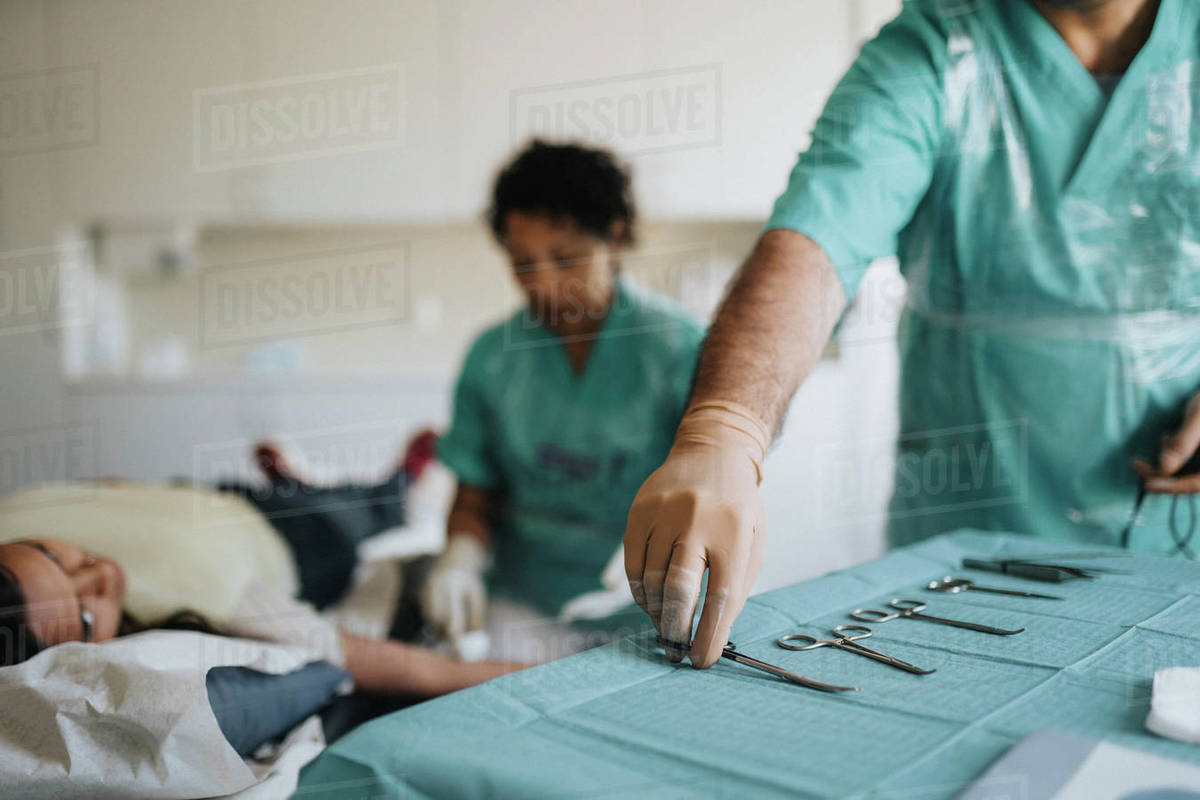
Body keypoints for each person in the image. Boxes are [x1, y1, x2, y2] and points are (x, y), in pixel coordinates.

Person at [624, 0, 1200, 668]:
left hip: (1176, 540)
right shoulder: (941, 48)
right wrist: (724, 430)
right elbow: (815, 246)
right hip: (970, 554)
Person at [422, 140, 705, 661]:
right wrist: (459, 558)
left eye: (566, 259)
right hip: (525, 608)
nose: (544, 286)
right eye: (523, 265)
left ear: (614, 237)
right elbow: (472, 496)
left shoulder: (679, 349)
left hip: (649, 605)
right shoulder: (493, 358)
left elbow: (710, 493)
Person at [0, 442, 521, 698]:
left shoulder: (15, 510)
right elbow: (408, 667)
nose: (100, 574)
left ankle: (357, 480)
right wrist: (560, 672)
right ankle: (396, 477)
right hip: (283, 533)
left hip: (228, 505)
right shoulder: (212, 603)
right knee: (358, 504)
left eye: (52, 555)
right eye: (86, 619)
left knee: (346, 502)